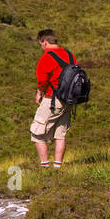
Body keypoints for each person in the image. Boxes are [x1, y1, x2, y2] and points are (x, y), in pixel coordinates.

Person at [31, 29, 73, 168]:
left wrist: (39, 93)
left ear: (45, 42)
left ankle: (44, 167)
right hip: (68, 99)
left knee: (37, 132)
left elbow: (42, 80)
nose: (41, 47)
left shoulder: (47, 57)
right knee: (60, 134)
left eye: (41, 44)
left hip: (52, 99)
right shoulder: (69, 54)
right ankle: (57, 167)